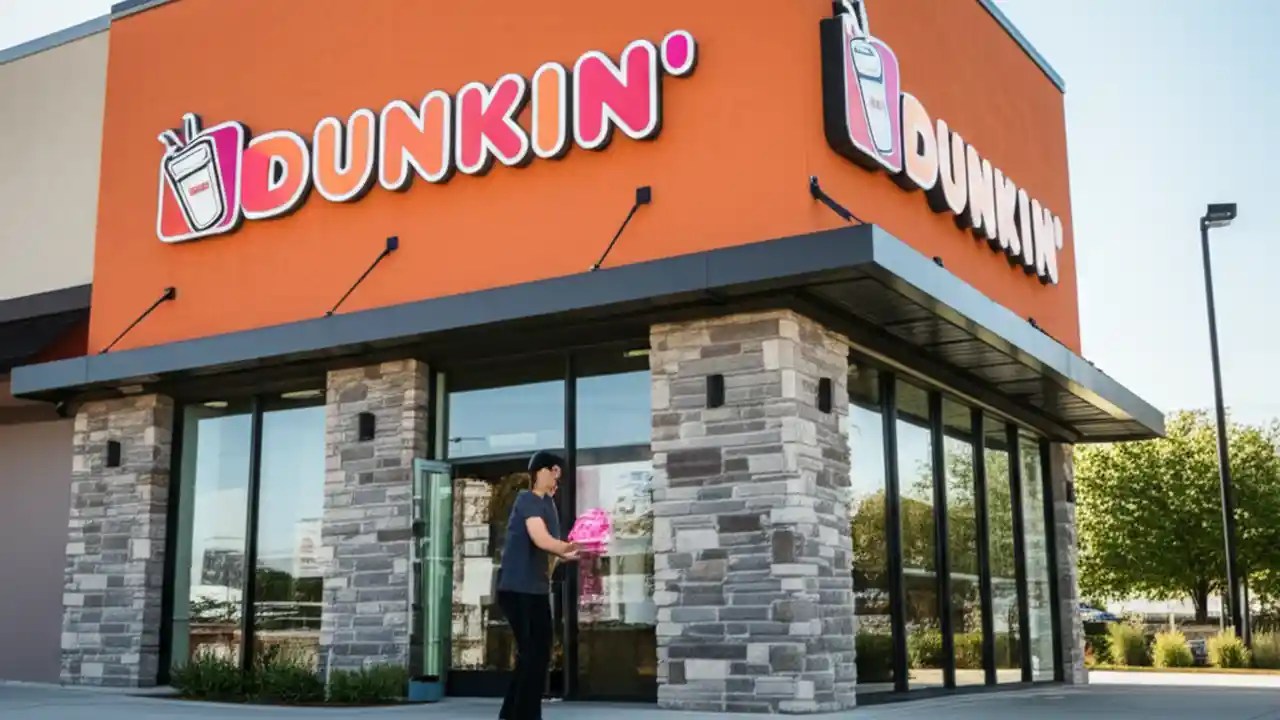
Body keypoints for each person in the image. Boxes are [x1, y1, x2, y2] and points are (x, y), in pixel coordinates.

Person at [497, 451, 578, 720]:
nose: (557, 478)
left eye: (559, 473)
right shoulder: (527, 500)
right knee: (532, 655)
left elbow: (550, 554)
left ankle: (512, 715)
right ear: (539, 472)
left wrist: (565, 554)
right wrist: (565, 548)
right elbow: (541, 539)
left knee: (536, 656)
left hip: (537, 591)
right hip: (516, 589)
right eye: (553, 471)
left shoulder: (550, 507)